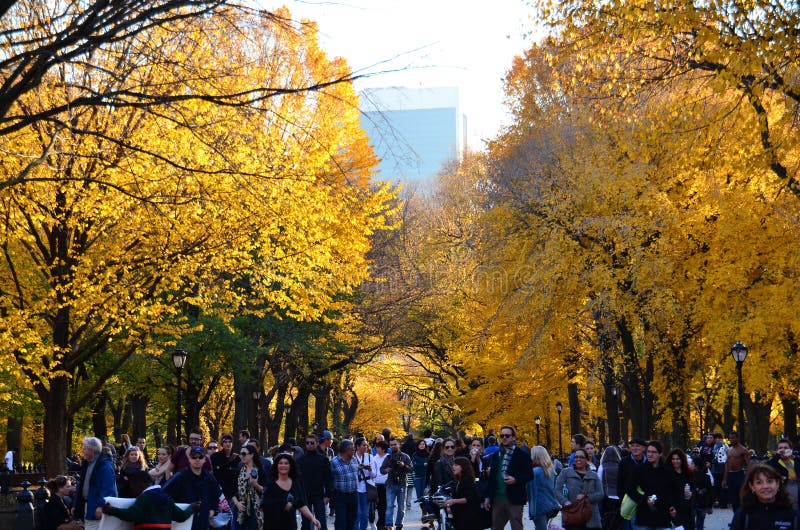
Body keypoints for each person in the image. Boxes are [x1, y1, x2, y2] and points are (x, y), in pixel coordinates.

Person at [103, 470, 195, 528]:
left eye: (132, 485)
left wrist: (111, 510)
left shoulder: (144, 497)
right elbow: (181, 516)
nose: (132, 489)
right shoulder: (166, 497)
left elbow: (131, 514)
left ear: (140, 484)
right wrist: (192, 508)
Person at [483, 425, 533, 530]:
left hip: (514, 498)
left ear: (513, 437)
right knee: (496, 527)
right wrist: (487, 497)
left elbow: (529, 475)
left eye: (507, 435)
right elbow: (492, 478)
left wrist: (516, 480)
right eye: (502, 436)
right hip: (497, 498)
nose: (504, 438)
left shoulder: (522, 455)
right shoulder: (496, 455)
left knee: (516, 527)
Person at [163, 446, 224, 530]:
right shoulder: (180, 476)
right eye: (194, 457)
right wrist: (179, 510)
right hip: (184, 523)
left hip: (203, 522)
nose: (197, 459)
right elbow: (164, 494)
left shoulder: (209, 477)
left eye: (200, 457)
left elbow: (217, 496)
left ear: (204, 459)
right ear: (189, 459)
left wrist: (213, 510)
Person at [730, 462, 798, 530]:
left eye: (769, 481)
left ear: (778, 484)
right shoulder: (744, 515)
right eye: (759, 482)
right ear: (752, 486)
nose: (765, 486)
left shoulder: (792, 514)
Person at [626, 440, 677, 530]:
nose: (650, 454)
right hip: (644, 514)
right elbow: (630, 489)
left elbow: (672, 491)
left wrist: (672, 505)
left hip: (663, 516)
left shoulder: (667, 471)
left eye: (653, 452)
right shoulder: (639, 470)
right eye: (648, 451)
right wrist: (644, 499)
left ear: (660, 454)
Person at [261, 453, 321, 530]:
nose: (283, 465)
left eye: (286, 463)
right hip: (273, 525)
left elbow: (300, 504)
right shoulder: (270, 484)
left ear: (290, 466)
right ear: (276, 466)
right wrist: (283, 504)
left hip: (290, 524)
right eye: (280, 463)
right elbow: (263, 505)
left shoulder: (295, 483)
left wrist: (312, 518)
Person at [75, 436, 118, 530]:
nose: (82, 450)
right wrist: (76, 504)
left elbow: (108, 488)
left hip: (96, 508)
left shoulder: (105, 466)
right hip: (89, 506)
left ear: (92, 450)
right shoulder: (87, 463)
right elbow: (82, 485)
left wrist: (101, 506)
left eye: (85, 448)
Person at [554, 447, 603, 530]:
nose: (578, 459)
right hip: (572, 516)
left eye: (581, 457)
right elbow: (557, 490)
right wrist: (565, 502)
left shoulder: (593, 475)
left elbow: (600, 494)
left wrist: (586, 498)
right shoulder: (565, 472)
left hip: (591, 519)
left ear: (587, 459)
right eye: (576, 457)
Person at [298, 434, 333, 530]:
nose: (309, 445)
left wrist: (327, 495)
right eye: (307, 443)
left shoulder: (323, 459)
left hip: (319, 495)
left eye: (312, 443)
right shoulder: (300, 460)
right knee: (305, 522)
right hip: (305, 495)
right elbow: (297, 479)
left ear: (317, 444)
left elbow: (328, 478)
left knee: (321, 521)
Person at [231, 444, 268, 530]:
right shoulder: (238, 470)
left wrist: (255, 485)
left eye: (244, 454)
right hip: (240, 508)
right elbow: (230, 490)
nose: (241, 456)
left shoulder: (261, 471)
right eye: (240, 454)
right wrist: (237, 503)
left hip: (256, 509)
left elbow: (266, 490)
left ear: (252, 455)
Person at [526, 446, 561, 530]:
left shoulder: (534, 472)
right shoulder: (551, 471)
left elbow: (529, 490)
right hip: (550, 505)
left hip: (539, 507)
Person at [382, 438, 412, 530]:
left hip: (402, 483)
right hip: (390, 483)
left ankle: (399, 525)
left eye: (395, 444)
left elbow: (411, 469)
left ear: (399, 445)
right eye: (391, 445)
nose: (393, 446)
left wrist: (403, 466)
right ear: (389, 446)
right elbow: (382, 469)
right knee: (390, 505)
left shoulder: (405, 456)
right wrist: (386, 470)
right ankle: (389, 525)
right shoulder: (388, 457)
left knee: (401, 506)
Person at [443, 456, 481, 530]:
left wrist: (453, 501)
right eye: (453, 465)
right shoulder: (458, 480)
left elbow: (468, 498)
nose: (453, 467)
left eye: (456, 465)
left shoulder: (468, 480)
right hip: (460, 515)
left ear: (463, 467)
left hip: (468, 517)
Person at [617, 437, 646, 530]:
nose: (635, 448)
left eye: (637, 446)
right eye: (632, 446)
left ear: (643, 448)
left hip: (646, 503)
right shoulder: (624, 462)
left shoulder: (648, 462)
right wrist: (622, 499)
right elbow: (619, 483)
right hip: (629, 502)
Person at [331, 439, 360, 530]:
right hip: (340, 496)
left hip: (353, 495)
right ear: (346, 450)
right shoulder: (334, 462)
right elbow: (329, 479)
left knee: (351, 521)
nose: (354, 451)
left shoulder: (354, 460)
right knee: (341, 522)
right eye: (352, 450)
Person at [768, 437, 799, 510]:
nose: (782, 450)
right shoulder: (775, 463)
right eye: (780, 448)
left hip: (796, 502)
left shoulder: (796, 463)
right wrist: (777, 456)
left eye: (785, 448)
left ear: (791, 450)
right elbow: (766, 467)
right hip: (781, 503)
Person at [666, 448, 694, 530]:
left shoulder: (687, 473)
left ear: (682, 460)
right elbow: (666, 492)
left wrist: (691, 493)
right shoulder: (668, 473)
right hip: (674, 509)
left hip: (687, 509)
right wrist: (671, 507)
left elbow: (693, 487)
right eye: (673, 459)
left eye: (677, 459)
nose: (675, 461)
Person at [723, 431, 750, 514]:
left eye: (733, 438)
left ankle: (742, 516)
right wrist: (724, 479)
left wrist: (748, 478)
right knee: (733, 498)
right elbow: (727, 465)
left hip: (739, 474)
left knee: (741, 497)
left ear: (737, 438)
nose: (731, 440)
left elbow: (748, 465)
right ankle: (736, 517)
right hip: (731, 475)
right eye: (730, 438)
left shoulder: (743, 450)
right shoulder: (728, 450)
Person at [597, 444, 622, 530]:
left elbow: (599, 481)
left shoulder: (602, 467)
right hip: (619, 497)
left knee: (607, 520)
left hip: (607, 497)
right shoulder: (620, 466)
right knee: (617, 521)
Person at [354, 437, 376, 530]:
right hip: (355, 487)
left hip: (366, 487)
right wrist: (357, 468)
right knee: (357, 513)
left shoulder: (370, 457)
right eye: (363, 445)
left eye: (366, 445)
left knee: (365, 513)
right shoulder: (352, 456)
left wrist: (370, 469)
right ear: (358, 446)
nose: (366, 447)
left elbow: (374, 475)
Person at [691, 455, 713, 530]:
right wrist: (710, 506)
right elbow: (710, 492)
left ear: (696, 466)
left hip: (693, 504)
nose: (690, 465)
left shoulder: (691, 476)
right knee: (700, 524)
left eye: (692, 464)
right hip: (703, 504)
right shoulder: (707, 477)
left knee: (691, 524)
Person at [372, 440, 389, 530]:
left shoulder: (388, 457)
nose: (376, 449)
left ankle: (382, 523)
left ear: (383, 449)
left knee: (384, 504)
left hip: (385, 484)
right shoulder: (374, 458)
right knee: (377, 505)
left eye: (378, 447)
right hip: (376, 484)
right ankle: (379, 522)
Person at [411, 440, 429, 513]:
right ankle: (423, 511)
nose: (422, 445)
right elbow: (414, 466)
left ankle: (427, 512)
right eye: (420, 444)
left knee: (426, 495)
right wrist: (423, 465)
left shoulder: (428, 454)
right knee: (419, 496)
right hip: (418, 477)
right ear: (417, 446)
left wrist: (423, 465)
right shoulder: (415, 455)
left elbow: (429, 465)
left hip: (426, 477)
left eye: (423, 444)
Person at [711, 433, 728, 508]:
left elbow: (727, 455)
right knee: (717, 486)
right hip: (716, 468)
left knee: (723, 486)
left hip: (723, 467)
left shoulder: (725, 445)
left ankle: (723, 503)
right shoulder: (715, 446)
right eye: (716, 438)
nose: (717, 440)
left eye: (719, 438)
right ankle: (718, 501)